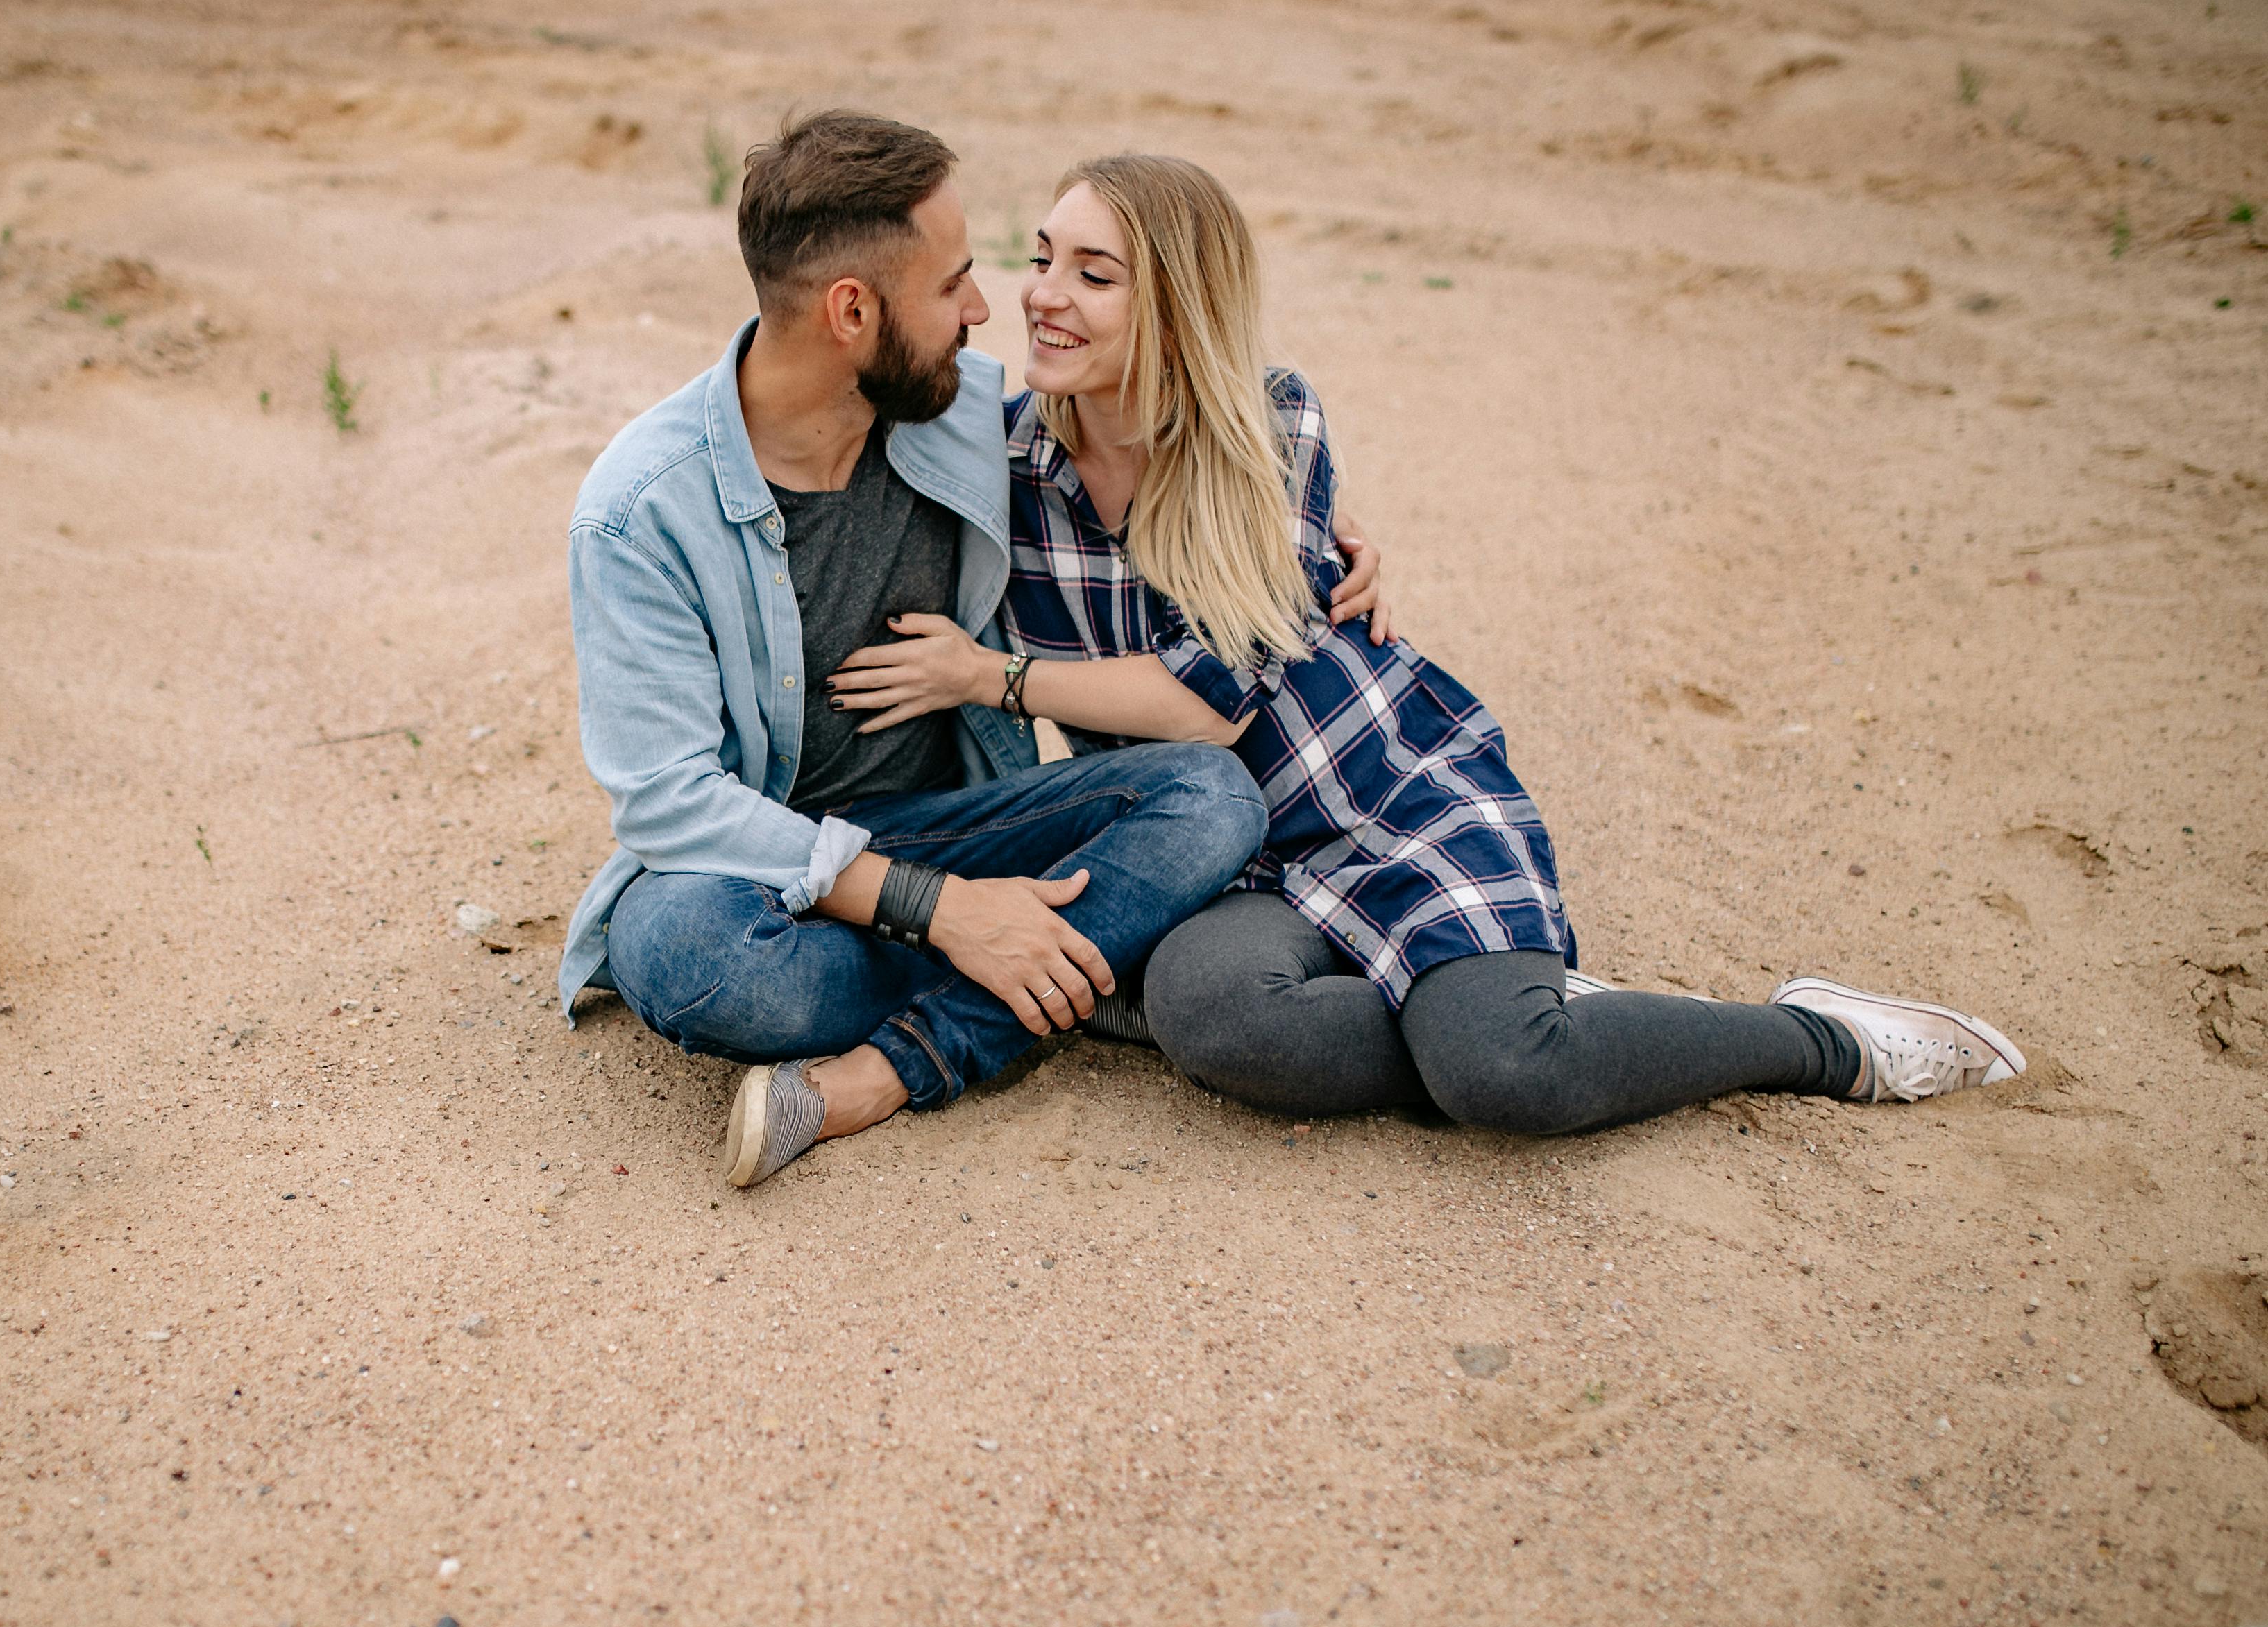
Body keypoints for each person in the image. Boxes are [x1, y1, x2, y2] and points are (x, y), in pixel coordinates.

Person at [828, 153, 2023, 1132]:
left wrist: (992, 675)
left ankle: (1813, 1037)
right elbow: (828, 369)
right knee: (1221, 1028)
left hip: (1387, 795)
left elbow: (1209, 704)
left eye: (1095, 275)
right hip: (1220, 856)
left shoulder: (1270, 425)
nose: (1042, 294)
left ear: (1180, 304)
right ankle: (1503, 1003)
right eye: (1040, 260)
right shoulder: (999, 455)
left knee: (1512, 1083)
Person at [557, 115, 1292, 1189]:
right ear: (853, 311)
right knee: (684, 960)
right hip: (767, 870)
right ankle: (1069, 959)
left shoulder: (956, 412)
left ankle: (913, 1052)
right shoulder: (639, 513)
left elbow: (1171, 422)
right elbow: (666, 803)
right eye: (953, 286)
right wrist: (941, 913)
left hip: (962, 826)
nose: (986, 311)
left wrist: (1322, 540)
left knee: (1212, 796)